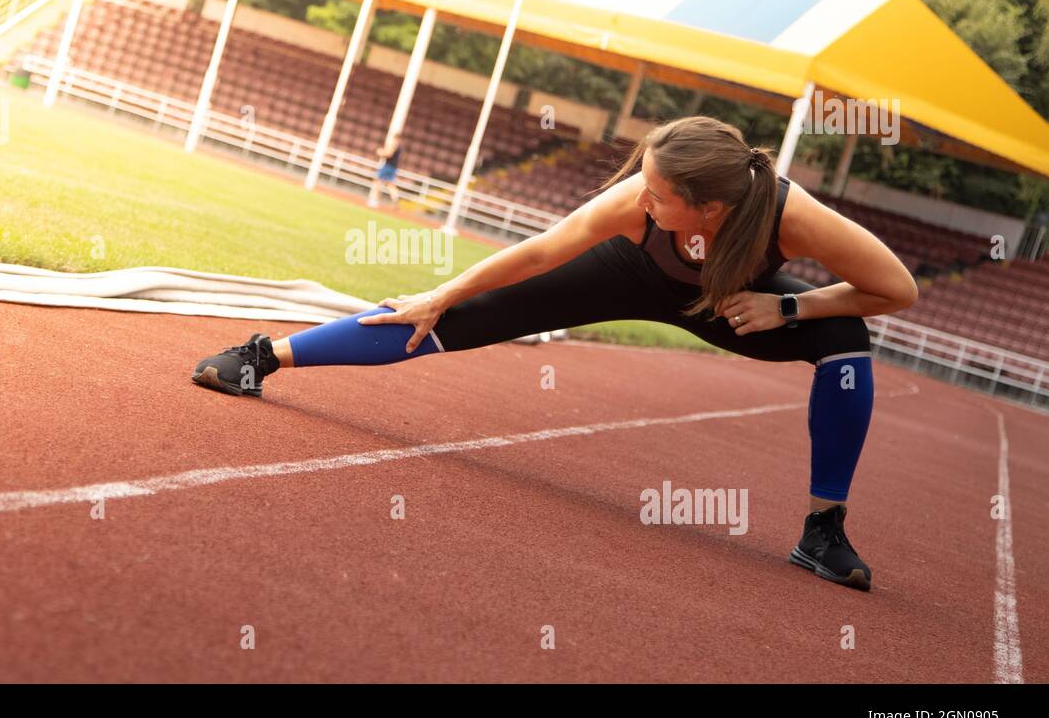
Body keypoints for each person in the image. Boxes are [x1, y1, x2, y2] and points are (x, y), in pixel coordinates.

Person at [191, 117, 919, 591]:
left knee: (844, 338)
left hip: (732, 305)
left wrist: (788, 305)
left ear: (709, 206)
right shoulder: (634, 209)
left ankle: (823, 530)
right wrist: (442, 292)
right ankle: (264, 355)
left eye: (659, 194)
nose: (643, 198)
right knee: (446, 313)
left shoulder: (786, 212)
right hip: (625, 274)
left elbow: (896, 288)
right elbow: (541, 250)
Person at [367, 134, 402, 208]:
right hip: (393, 167)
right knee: (390, 185)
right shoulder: (400, 147)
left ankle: (375, 200)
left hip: (387, 166)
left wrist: (380, 152)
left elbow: (389, 154)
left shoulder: (394, 145)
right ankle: (395, 199)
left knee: (377, 182)